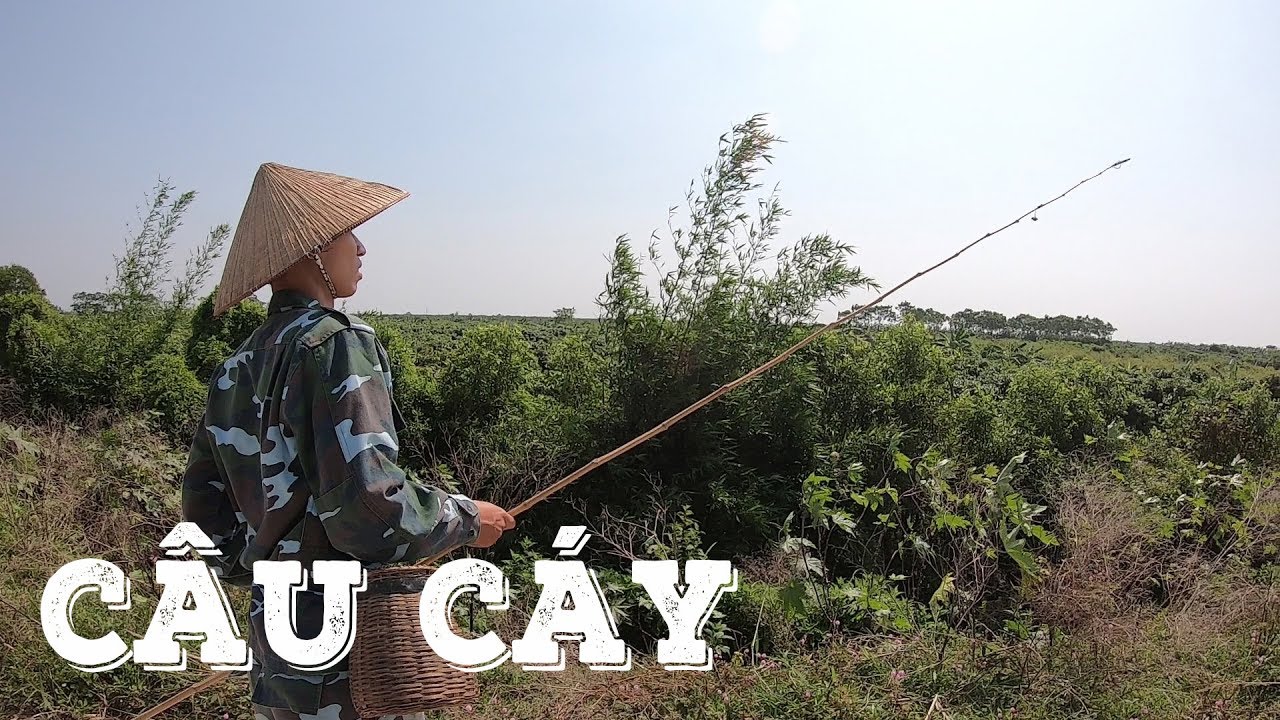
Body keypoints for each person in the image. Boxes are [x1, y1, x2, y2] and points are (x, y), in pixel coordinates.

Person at [180, 162, 515, 719]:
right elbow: (369, 506)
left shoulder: (236, 364)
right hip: (353, 665)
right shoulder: (337, 344)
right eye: (347, 234)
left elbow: (204, 517)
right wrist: (466, 520)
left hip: (279, 656)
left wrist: (272, 571)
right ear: (312, 249)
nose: (361, 247)